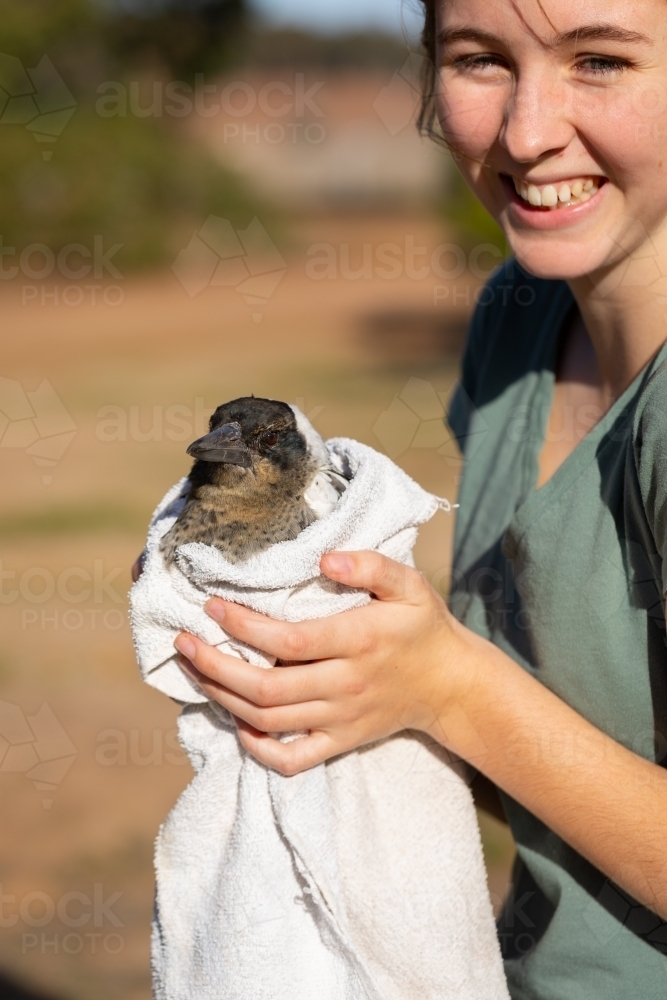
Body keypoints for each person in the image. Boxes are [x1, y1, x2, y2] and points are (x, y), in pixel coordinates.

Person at [138, 1, 667, 995]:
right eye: (479, 59)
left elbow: (477, 702)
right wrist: (342, 681)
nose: (525, 130)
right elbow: (566, 766)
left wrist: (450, 689)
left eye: (598, 59)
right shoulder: (520, 317)